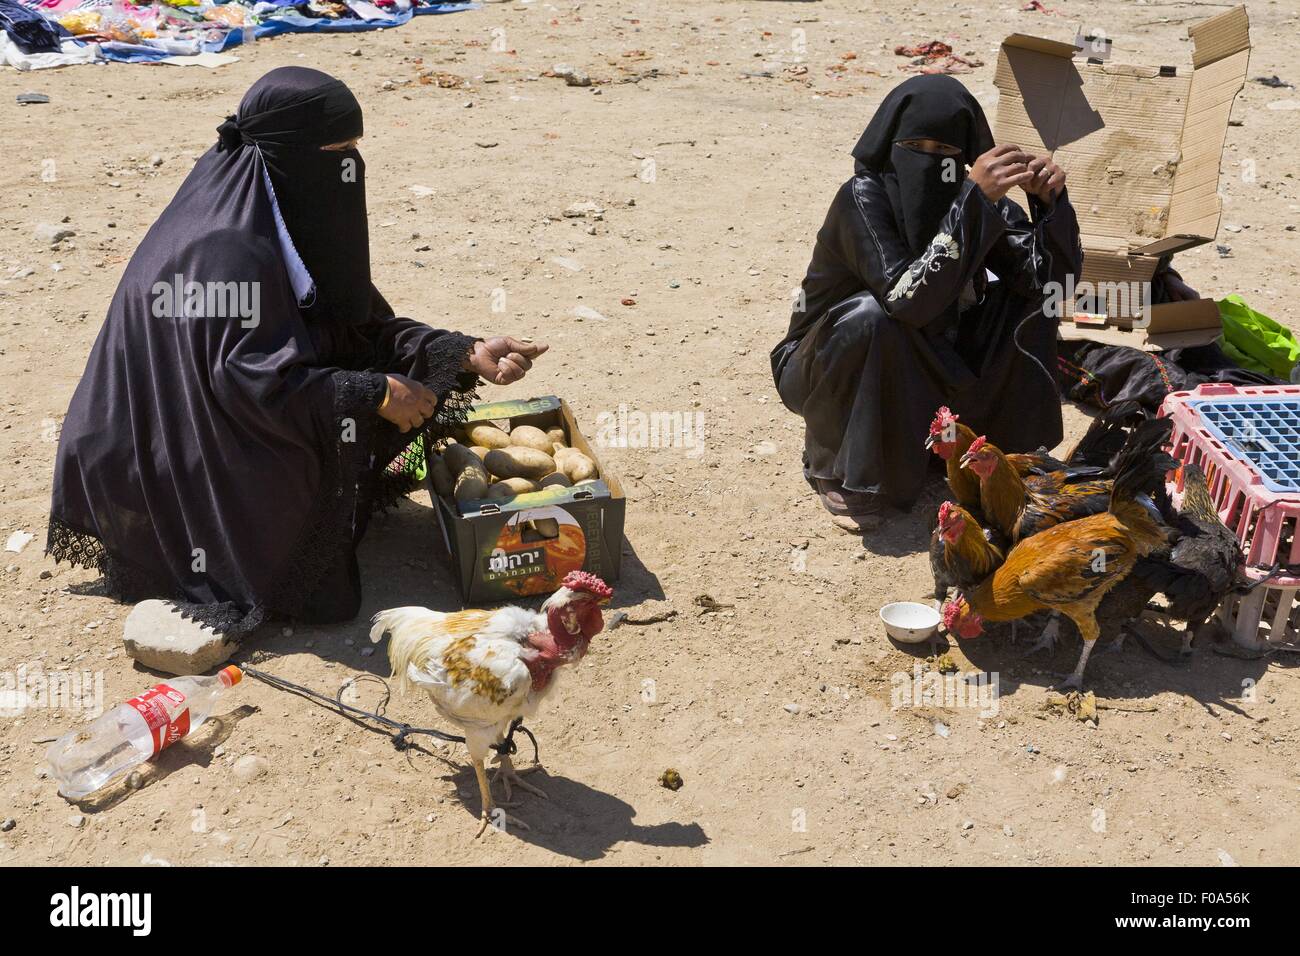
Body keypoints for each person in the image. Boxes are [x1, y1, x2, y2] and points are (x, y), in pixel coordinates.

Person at [47, 67, 545, 636]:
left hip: (236, 399)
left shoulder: (286, 214)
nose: (347, 169)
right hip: (172, 441)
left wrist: (461, 351)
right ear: (285, 153)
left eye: (355, 152)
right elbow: (250, 381)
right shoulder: (226, 247)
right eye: (337, 152)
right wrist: (378, 391)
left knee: (371, 382)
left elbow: (359, 324)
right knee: (315, 589)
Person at [771, 74, 1083, 532]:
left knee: (1028, 303)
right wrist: (972, 201)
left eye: (947, 154)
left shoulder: (981, 204)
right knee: (874, 316)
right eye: (918, 147)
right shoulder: (862, 198)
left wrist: (1050, 208)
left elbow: (1051, 284)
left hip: (930, 355)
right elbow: (907, 300)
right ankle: (845, 471)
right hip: (829, 365)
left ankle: (1004, 459)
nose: (933, 163)